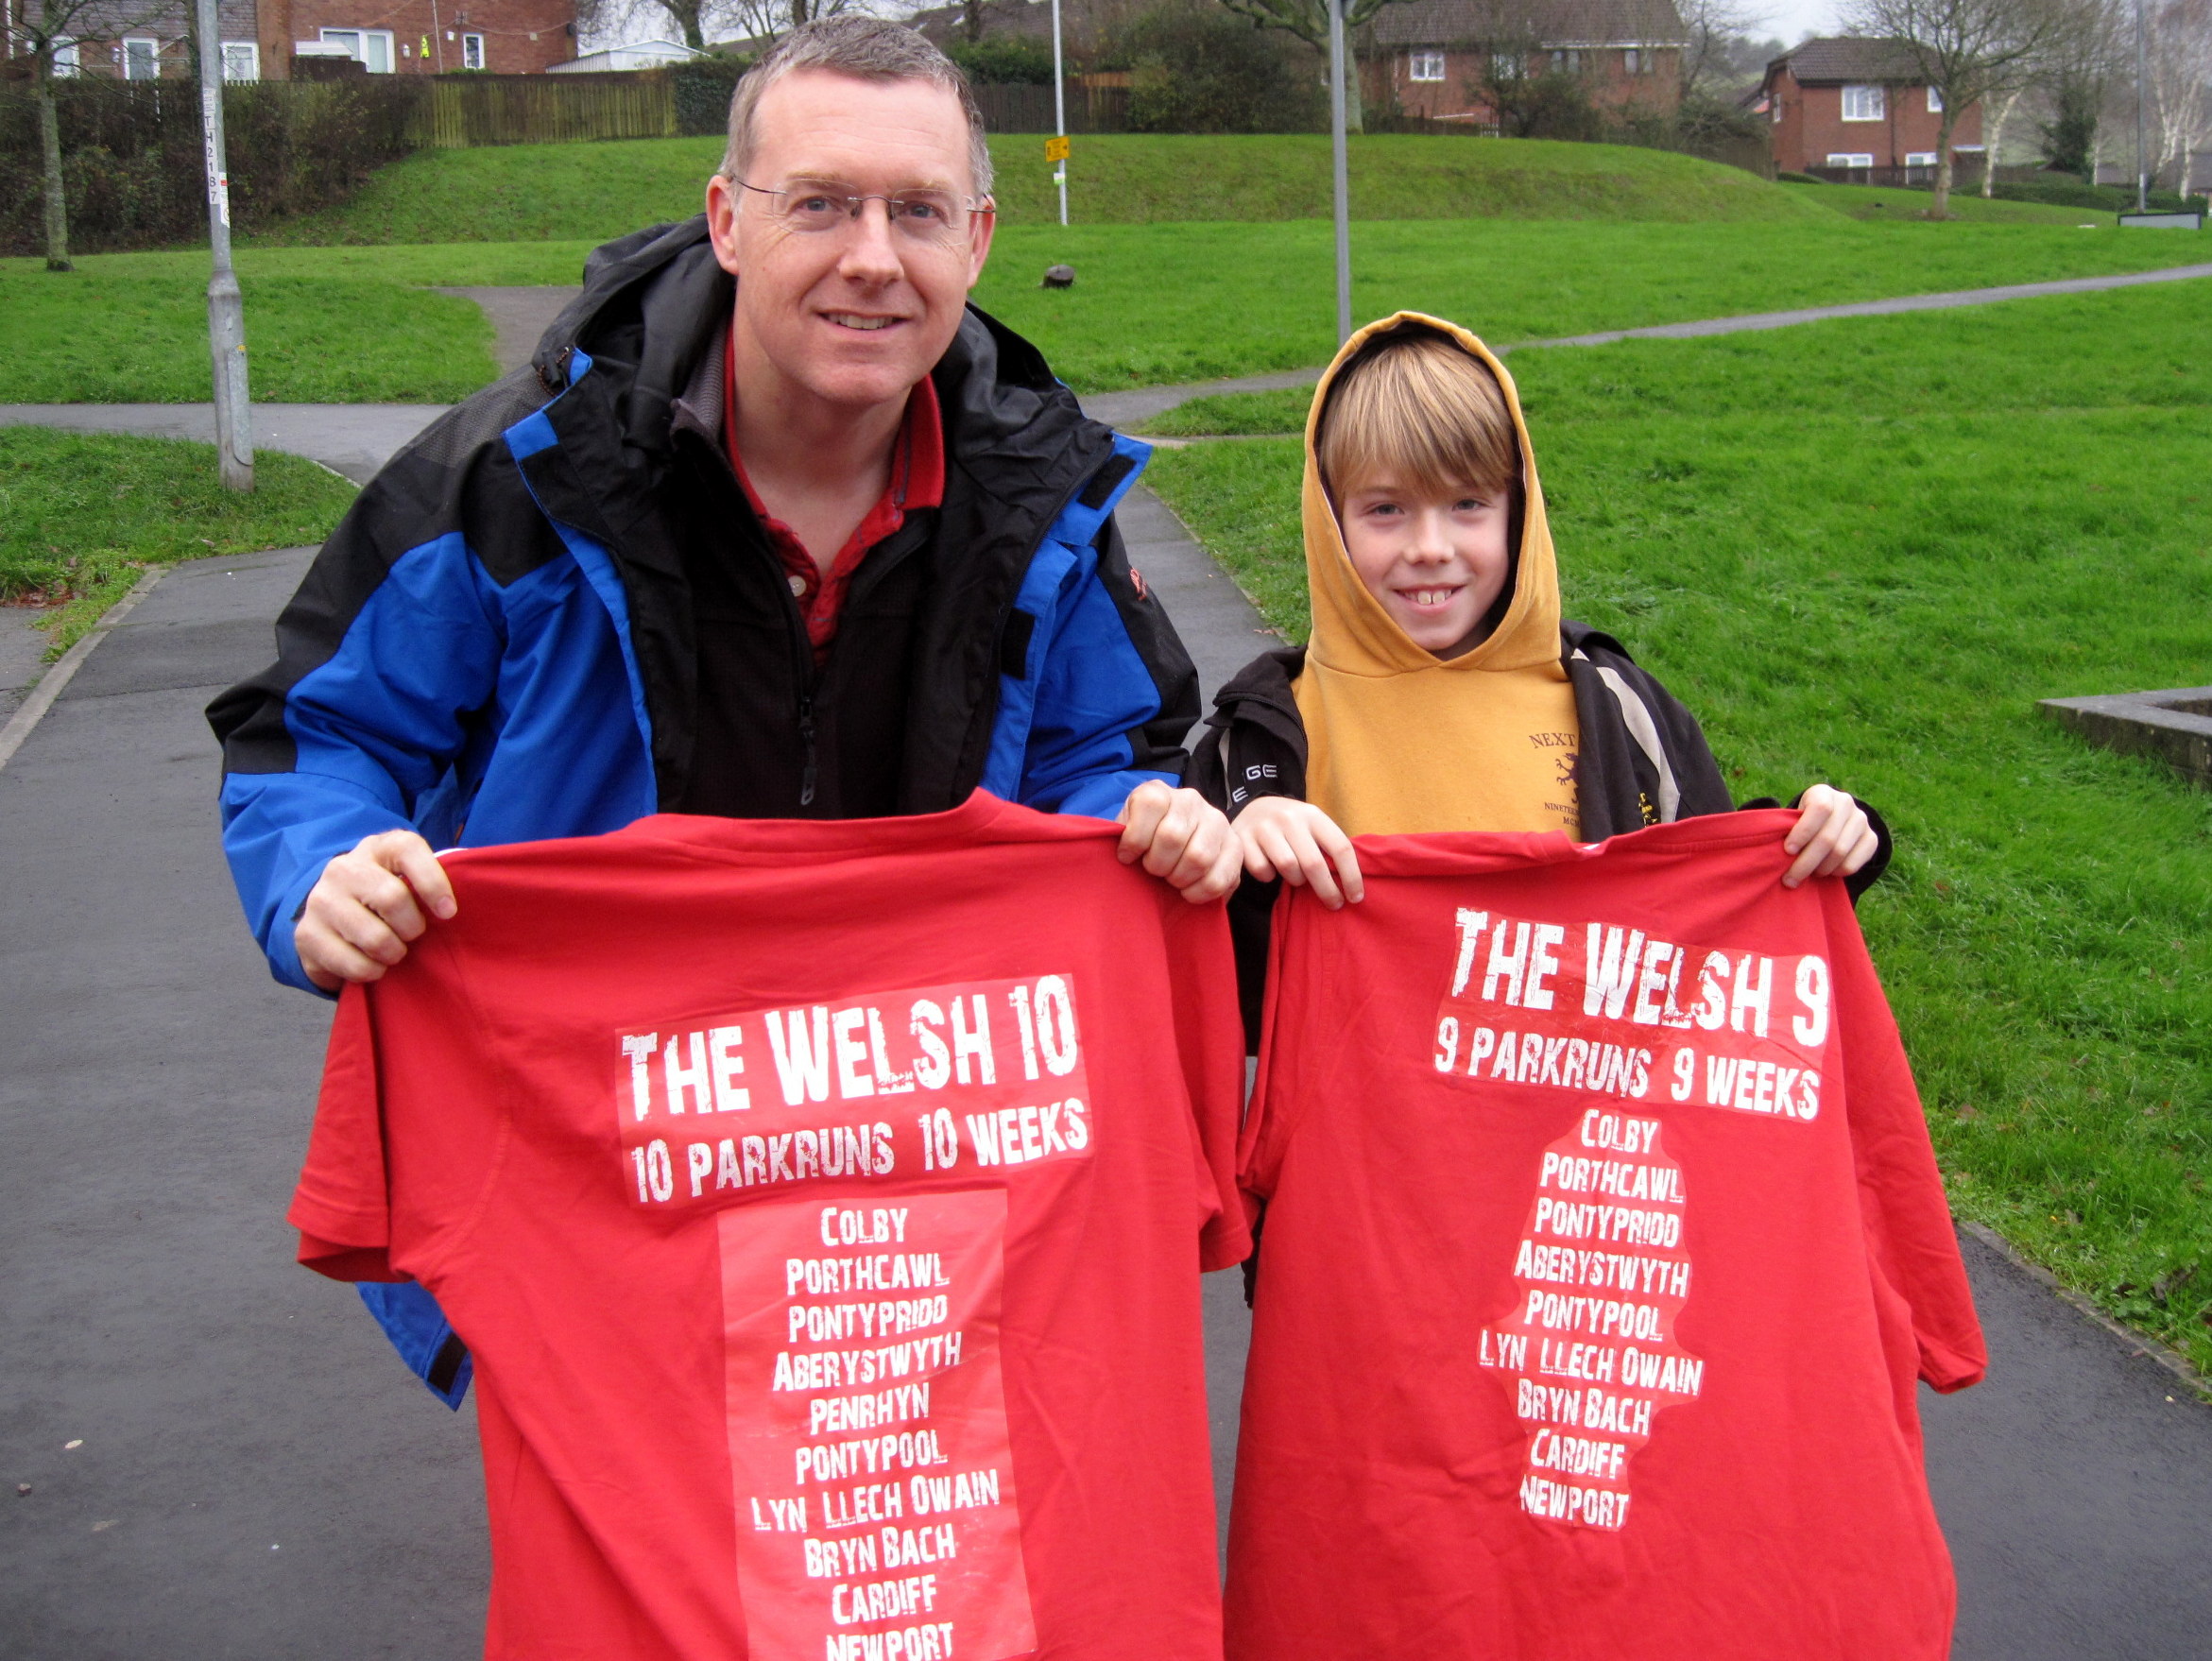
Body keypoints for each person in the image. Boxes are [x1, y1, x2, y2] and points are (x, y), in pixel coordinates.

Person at [208, 16, 1236, 1395]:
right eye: (819, 202)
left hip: (917, 1182)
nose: (872, 256)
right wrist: (324, 873)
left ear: (979, 240)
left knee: (900, 1579)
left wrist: (1147, 821)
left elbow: (1106, 757)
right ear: (727, 220)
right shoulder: (517, 478)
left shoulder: (1040, 498)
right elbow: (312, 735)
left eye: (917, 211)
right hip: (602, 1173)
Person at [1191, 313, 1887, 1044]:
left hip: (1577, 1137)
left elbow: (1713, 913)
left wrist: (1831, 840)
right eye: (1385, 509)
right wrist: (1240, 859)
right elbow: (1211, 1000)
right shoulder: (1265, 736)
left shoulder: (1615, 707)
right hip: (1361, 1146)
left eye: (1467, 505)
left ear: (1517, 513)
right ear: (1328, 520)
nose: (1430, 548)